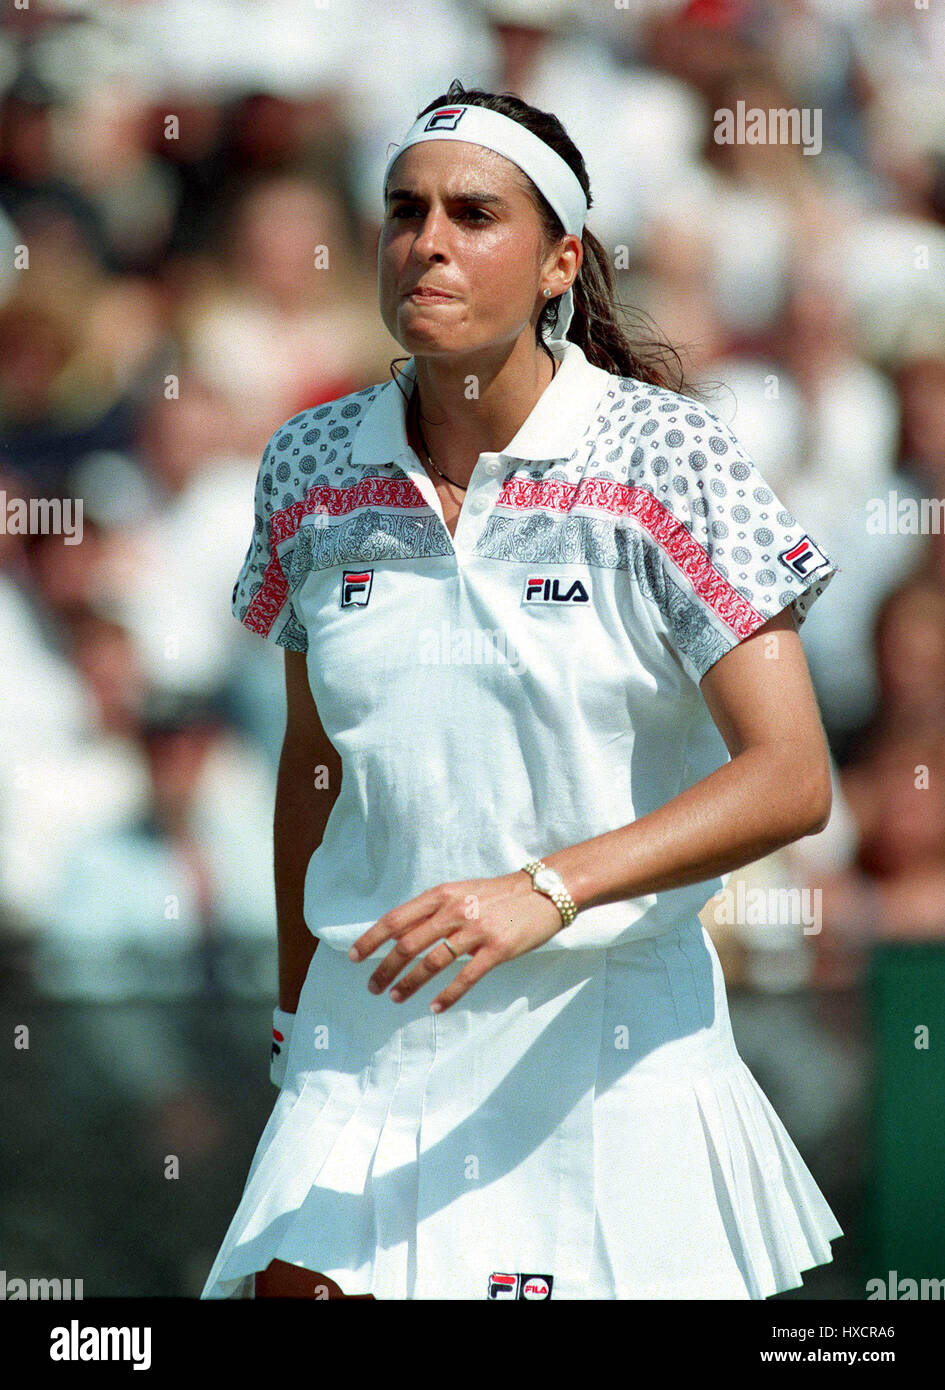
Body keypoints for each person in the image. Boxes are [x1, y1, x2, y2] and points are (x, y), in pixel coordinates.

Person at [200, 80, 843, 1301]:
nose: (427, 241)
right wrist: (298, 1017)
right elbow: (313, 765)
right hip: (367, 1045)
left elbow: (792, 776)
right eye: (405, 210)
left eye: (473, 213)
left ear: (561, 262)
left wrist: (545, 891)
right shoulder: (305, 462)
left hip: (610, 1043)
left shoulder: (670, 452)